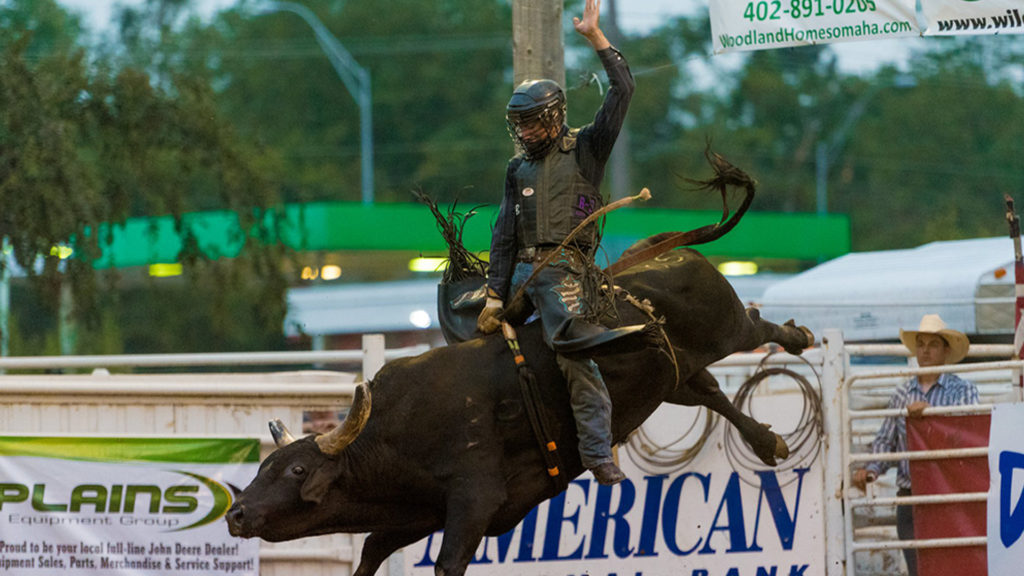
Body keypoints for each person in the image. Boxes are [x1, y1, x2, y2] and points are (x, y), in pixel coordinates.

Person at [476, 0, 634, 486]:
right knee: (467, 334)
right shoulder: (516, 168)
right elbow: (503, 235)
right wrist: (492, 294)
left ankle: (595, 454)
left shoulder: (588, 147)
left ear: (556, 116)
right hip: (522, 276)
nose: (524, 132)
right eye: (519, 124)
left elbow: (623, 90)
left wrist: (596, 39)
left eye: (532, 122)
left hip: (568, 276)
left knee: (575, 357)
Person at [852, 313, 978, 576]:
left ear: (945, 350)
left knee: (953, 566)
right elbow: (886, 441)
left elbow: (966, 434)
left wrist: (932, 416)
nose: (925, 351)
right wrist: (871, 469)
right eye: (921, 344)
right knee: (918, 568)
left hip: (950, 494)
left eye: (933, 345)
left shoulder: (964, 390)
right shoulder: (901, 394)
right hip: (912, 496)